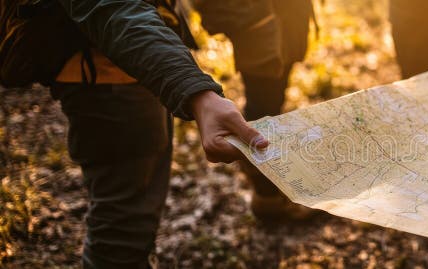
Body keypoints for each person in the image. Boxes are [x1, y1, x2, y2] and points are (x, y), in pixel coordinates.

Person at [51, 0, 268, 267]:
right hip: (106, 77)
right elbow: (113, 7)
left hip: (136, 68)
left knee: (134, 216)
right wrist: (197, 94)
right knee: (122, 227)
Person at [192, 0, 316, 220]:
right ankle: (267, 197)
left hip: (284, 19)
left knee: (272, 100)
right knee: (263, 108)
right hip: (258, 24)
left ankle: (270, 192)